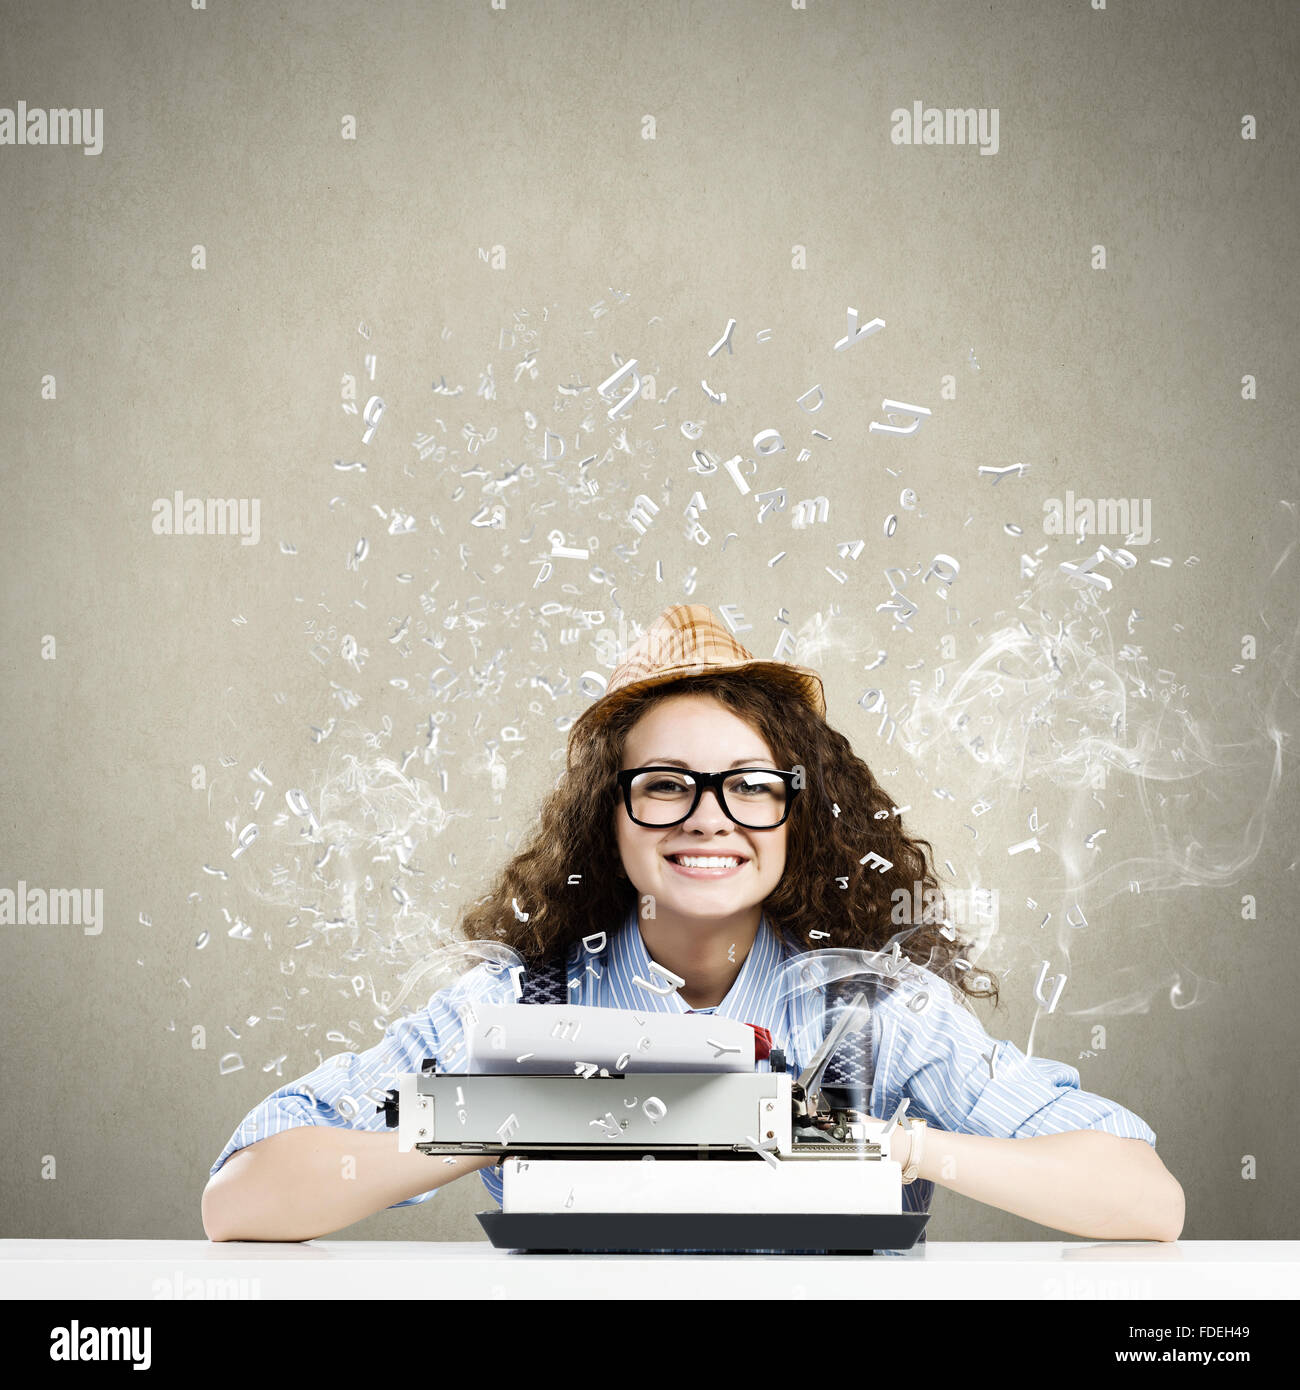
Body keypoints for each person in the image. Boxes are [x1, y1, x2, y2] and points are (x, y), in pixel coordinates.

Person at [202, 604, 1184, 1248]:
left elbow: (1144, 1199)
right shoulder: (515, 1006)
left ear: (797, 811)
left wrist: (891, 1144)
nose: (709, 816)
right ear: (610, 818)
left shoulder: (870, 1014)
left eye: (749, 786)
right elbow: (242, 1195)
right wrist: (534, 1112)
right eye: (664, 786)